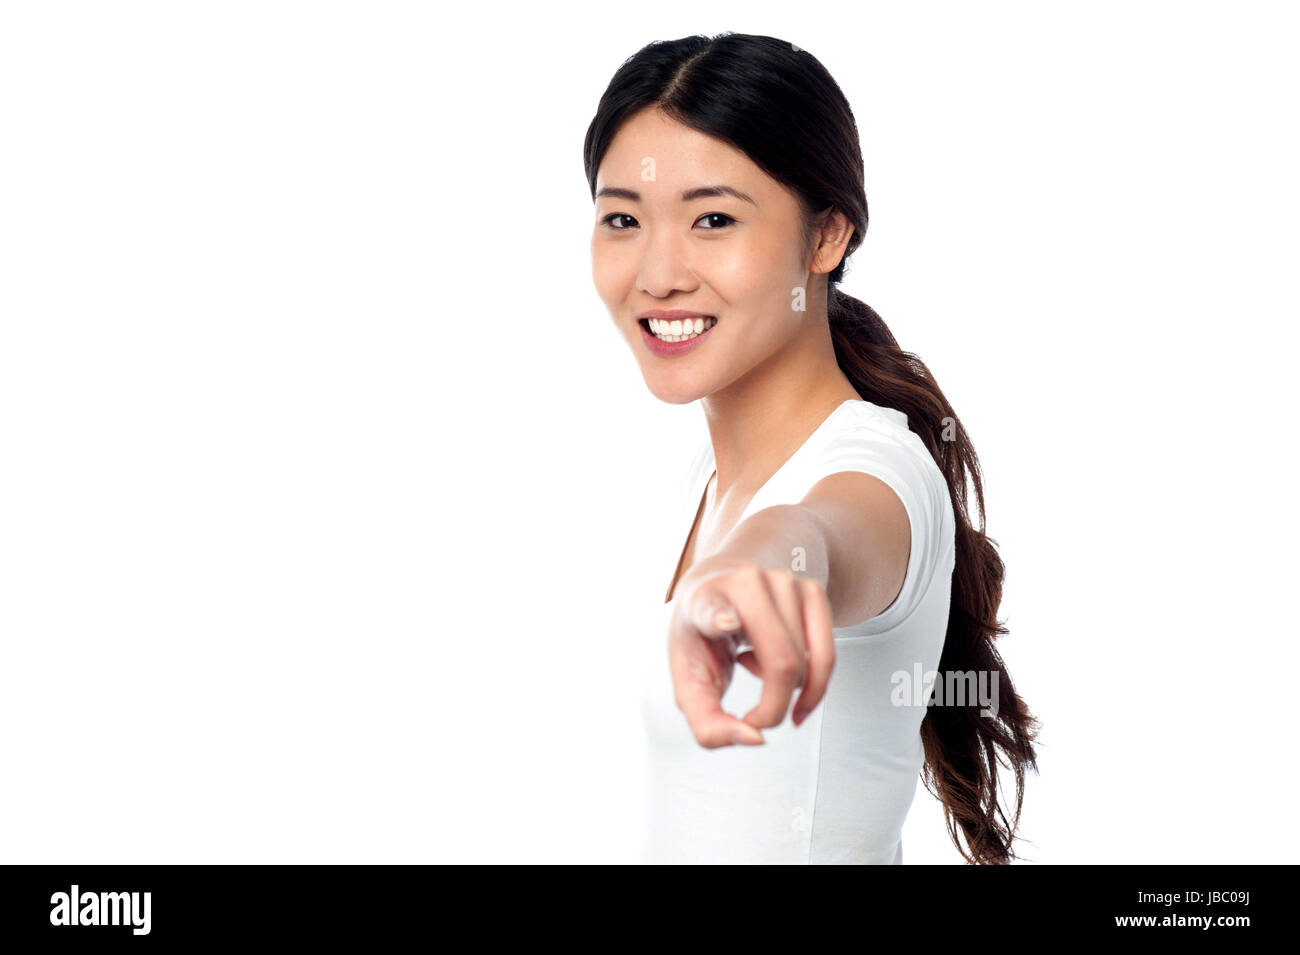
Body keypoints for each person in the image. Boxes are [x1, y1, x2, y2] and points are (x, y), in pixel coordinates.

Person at [585, 32, 1040, 864]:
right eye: (623, 218)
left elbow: (820, 533)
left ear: (826, 237)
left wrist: (766, 562)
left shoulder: (881, 468)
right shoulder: (705, 480)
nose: (656, 274)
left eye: (713, 218)